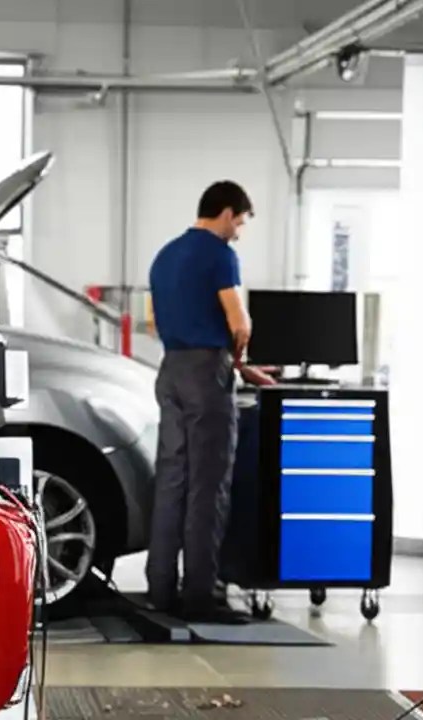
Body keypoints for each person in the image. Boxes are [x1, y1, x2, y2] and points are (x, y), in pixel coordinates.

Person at [145, 180, 276, 625]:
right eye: (238, 222)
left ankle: (160, 591)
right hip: (206, 377)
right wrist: (236, 360)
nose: (237, 231)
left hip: (170, 371)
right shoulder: (220, 255)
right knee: (209, 487)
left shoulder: (164, 255)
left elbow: (152, 321)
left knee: (171, 482)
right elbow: (240, 324)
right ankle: (201, 596)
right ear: (224, 213)